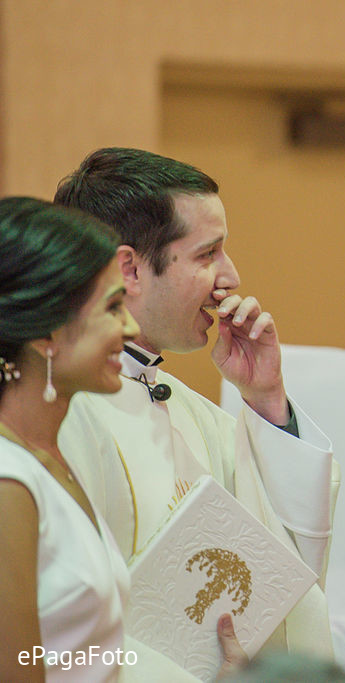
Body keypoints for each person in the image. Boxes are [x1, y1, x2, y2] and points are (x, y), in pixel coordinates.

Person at [53, 148, 341, 660]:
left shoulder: (192, 411)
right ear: (129, 269)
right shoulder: (55, 416)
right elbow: (55, 636)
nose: (230, 278)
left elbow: (285, 579)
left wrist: (267, 399)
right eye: (208, 255)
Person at [0, 197, 247, 682]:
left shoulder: (48, 461)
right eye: (113, 307)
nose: (131, 327)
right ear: (46, 334)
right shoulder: (10, 482)